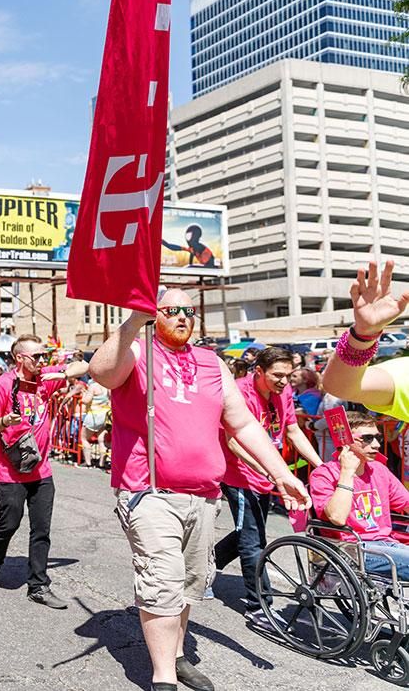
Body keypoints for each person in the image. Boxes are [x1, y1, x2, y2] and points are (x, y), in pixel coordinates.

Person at [88, 289, 309, 691]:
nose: (182, 317)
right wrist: (134, 319)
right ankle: (164, 678)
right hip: (148, 492)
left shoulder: (212, 363)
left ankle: (176, 656)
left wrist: (281, 472)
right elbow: (101, 372)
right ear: (157, 315)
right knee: (162, 581)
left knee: (189, 582)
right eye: (171, 310)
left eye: (189, 310)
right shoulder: (139, 352)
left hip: (204, 495)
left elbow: (241, 424)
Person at [213, 346, 323, 629]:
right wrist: (269, 471)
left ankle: (205, 565)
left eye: (288, 375)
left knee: (249, 532)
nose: (284, 382)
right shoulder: (238, 392)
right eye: (277, 375)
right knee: (253, 541)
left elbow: (293, 430)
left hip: (269, 473)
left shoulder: (283, 392)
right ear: (258, 371)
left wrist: (320, 465)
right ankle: (258, 606)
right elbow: (234, 442)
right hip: (239, 474)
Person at [0, 335, 84, 610]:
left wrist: (62, 369)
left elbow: (81, 368)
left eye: (43, 356)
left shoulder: (45, 379)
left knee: (41, 530)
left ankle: (38, 586)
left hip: (41, 471)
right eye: (36, 356)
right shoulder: (1, 385)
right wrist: (5, 420)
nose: (42, 361)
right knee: (9, 523)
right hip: (10, 472)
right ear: (19, 358)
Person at [308, 411, 409, 578]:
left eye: (378, 438)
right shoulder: (323, 474)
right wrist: (347, 472)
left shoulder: (379, 469)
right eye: (367, 438)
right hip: (350, 548)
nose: (376, 445)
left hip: (386, 543)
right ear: (345, 441)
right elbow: (337, 518)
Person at [80, 379, 111, 469]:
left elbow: (86, 400)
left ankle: (88, 462)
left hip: (93, 415)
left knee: (84, 438)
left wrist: (84, 394)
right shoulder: (107, 386)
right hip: (104, 414)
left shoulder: (93, 386)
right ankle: (101, 464)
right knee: (101, 440)